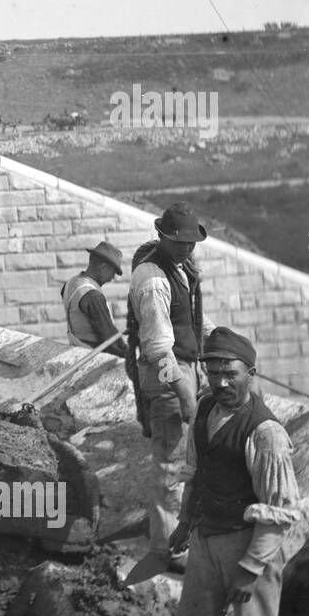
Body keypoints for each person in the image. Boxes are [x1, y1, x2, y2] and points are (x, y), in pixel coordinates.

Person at [169, 328, 299, 616]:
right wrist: (185, 521)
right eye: (213, 373)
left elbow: (281, 509)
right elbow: (196, 471)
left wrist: (250, 567)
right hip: (206, 542)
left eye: (232, 373)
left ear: (252, 373)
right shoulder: (206, 408)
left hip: (250, 548)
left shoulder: (266, 432)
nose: (222, 382)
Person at [126, 202, 207, 570]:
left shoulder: (175, 269)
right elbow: (158, 347)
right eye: (180, 242)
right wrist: (184, 391)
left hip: (182, 366)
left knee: (178, 459)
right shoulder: (155, 278)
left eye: (192, 242)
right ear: (162, 236)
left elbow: (185, 321)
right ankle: (166, 548)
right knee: (170, 461)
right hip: (168, 374)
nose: (187, 248)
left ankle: (172, 533)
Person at [61, 240, 128, 357]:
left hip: (76, 350)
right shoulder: (93, 296)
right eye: (113, 272)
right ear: (103, 268)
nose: (112, 277)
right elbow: (109, 339)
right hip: (92, 357)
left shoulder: (70, 283)